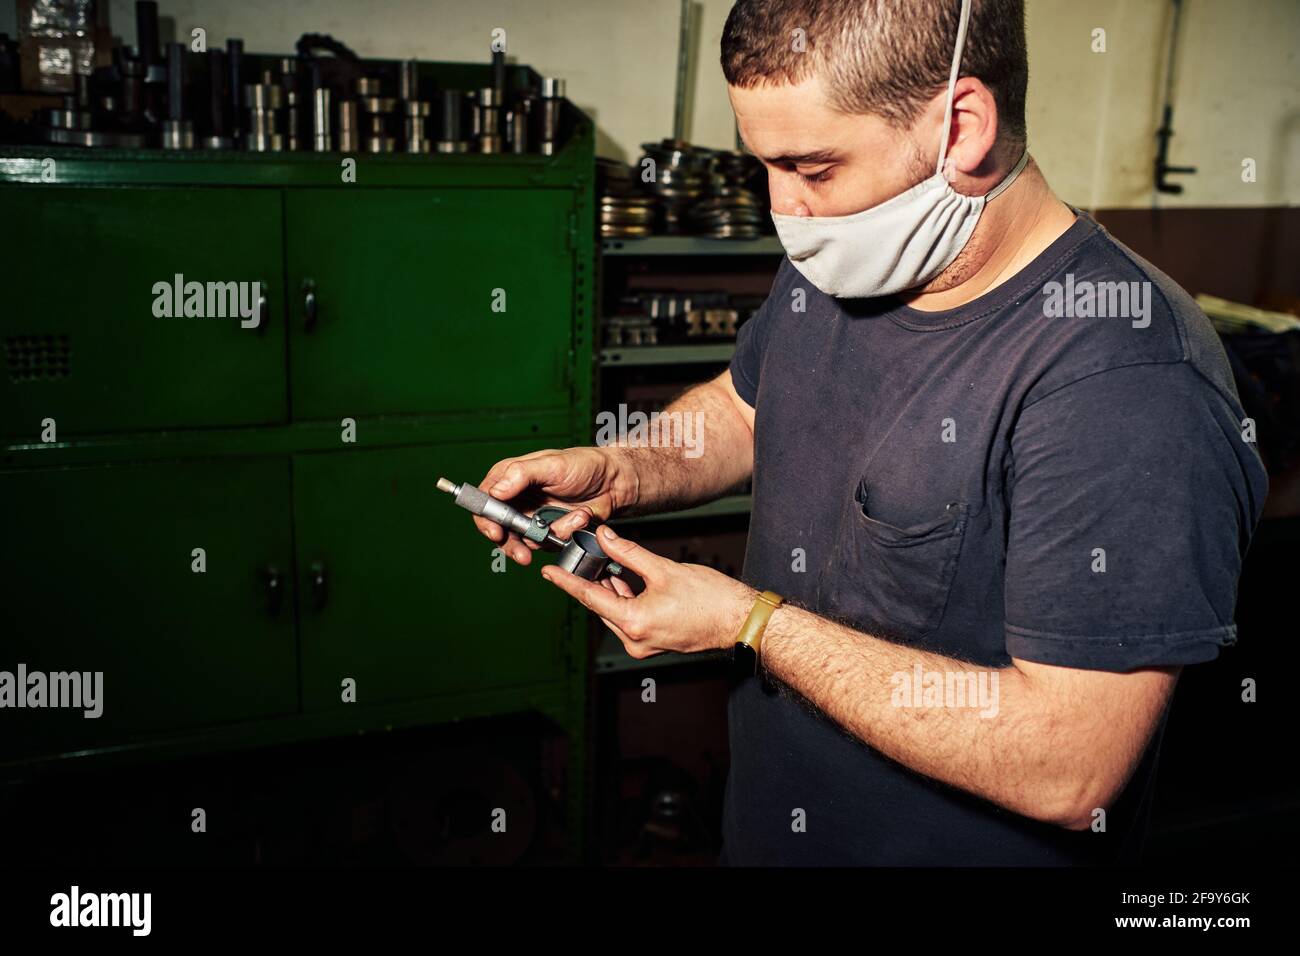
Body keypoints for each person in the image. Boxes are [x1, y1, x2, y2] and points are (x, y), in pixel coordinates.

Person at [468, 0, 1268, 865]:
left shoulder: (1126, 376)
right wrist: (621, 468)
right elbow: (745, 409)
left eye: (814, 167)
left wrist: (751, 623)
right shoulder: (851, 252)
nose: (789, 211)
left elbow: (1069, 766)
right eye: (766, 167)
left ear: (960, 127)